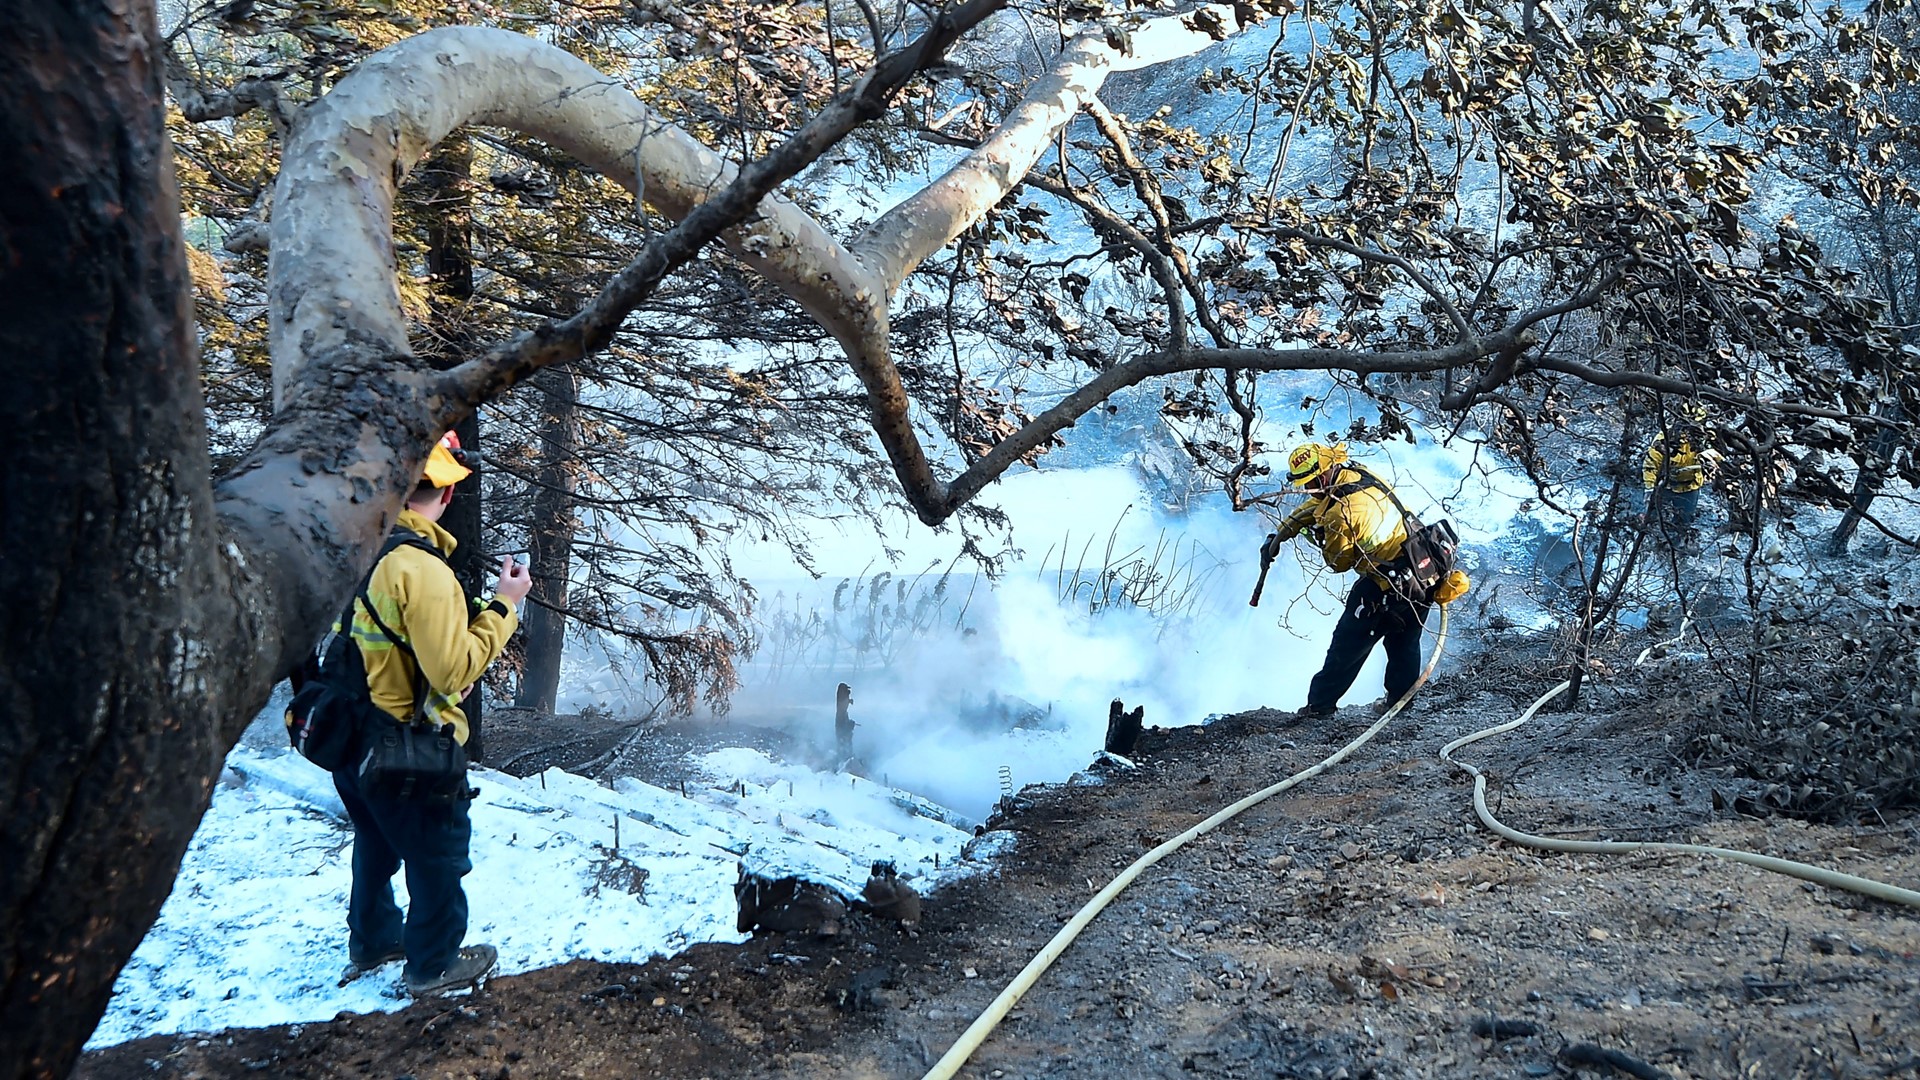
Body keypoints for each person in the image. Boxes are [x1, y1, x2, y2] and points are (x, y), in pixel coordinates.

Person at [335, 433, 532, 995]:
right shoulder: (422, 571)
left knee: (375, 839)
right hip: (408, 749)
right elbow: (451, 672)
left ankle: (373, 938)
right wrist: (504, 606)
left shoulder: (357, 548)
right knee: (437, 854)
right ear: (444, 496)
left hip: (352, 736)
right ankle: (434, 964)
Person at [1263, 442, 1462, 718]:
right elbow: (1318, 504)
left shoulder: (1339, 516)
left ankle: (1318, 708)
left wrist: (1317, 535)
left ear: (1321, 476)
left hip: (1386, 586)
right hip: (1422, 571)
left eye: (1308, 483)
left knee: (1348, 644)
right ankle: (1400, 705)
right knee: (1404, 641)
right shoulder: (1357, 474)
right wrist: (1284, 532)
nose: (1306, 489)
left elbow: (1338, 562)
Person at [1638, 407, 1721, 548]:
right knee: (1654, 517)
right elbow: (1651, 465)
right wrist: (1649, 488)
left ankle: (1676, 549)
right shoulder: (1664, 439)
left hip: (1690, 487)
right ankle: (1650, 544)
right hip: (1665, 485)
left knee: (1684, 522)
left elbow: (1719, 458)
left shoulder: (1706, 439)